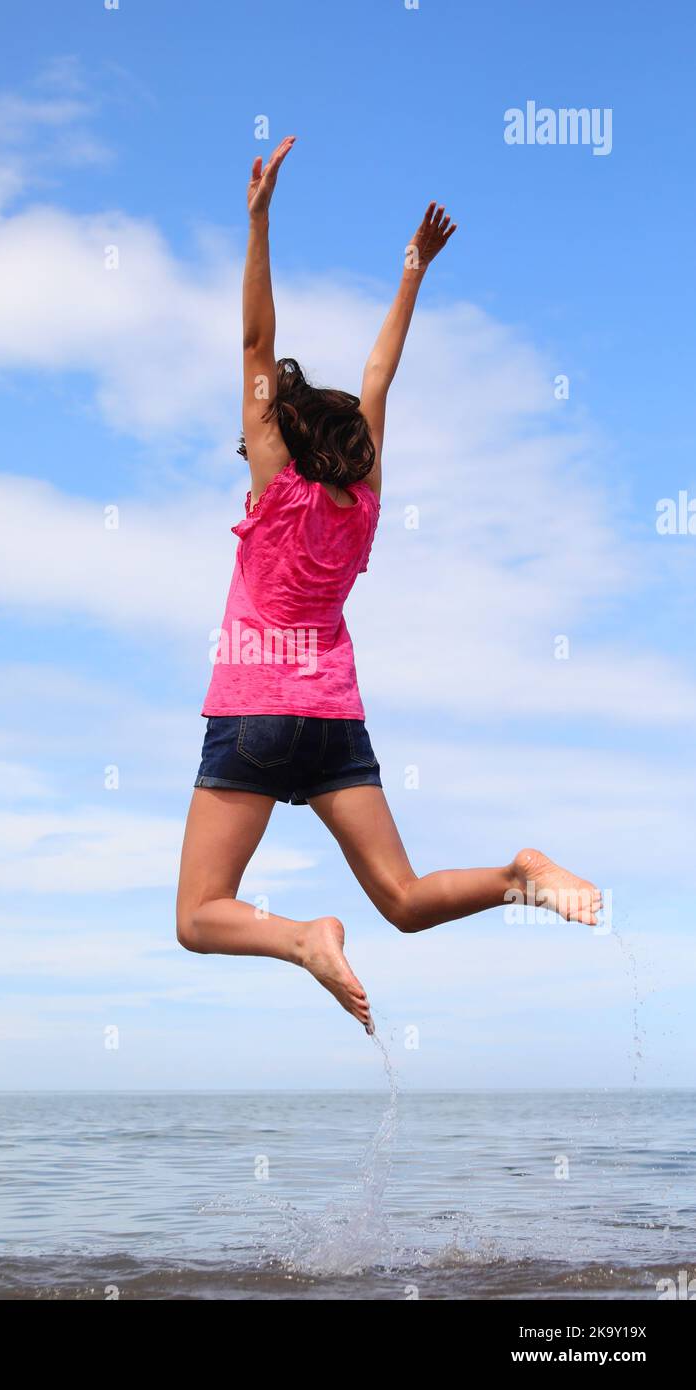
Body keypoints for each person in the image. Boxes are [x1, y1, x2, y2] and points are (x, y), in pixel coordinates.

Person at [176, 136, 601, 1032]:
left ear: (284, 436)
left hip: (253, 715)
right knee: (403, 900)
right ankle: (519, 876)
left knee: (200, 915)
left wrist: (258, 219)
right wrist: (414, 269)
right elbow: (380, 374)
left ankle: (304, 938)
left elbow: (256, 341)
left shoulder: (275, 488)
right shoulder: (361, 505)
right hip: (333, 721)